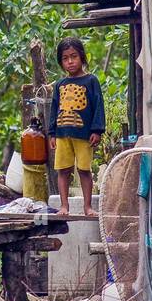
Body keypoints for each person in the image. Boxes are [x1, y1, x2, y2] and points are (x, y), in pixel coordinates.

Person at [48, 36, 105, 215]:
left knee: (84, 170)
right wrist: (52, 133)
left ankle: (88, 207)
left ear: (82, 57)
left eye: (73, 56)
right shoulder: (59, 85)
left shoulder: (91, 81)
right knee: (63, 170)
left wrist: (97, 130)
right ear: (61, 62)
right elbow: (54, 108)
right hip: (63, 134)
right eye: (65, 58)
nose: (70, 61)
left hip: (84, 135)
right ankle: (64, 206)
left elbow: (98, 105)